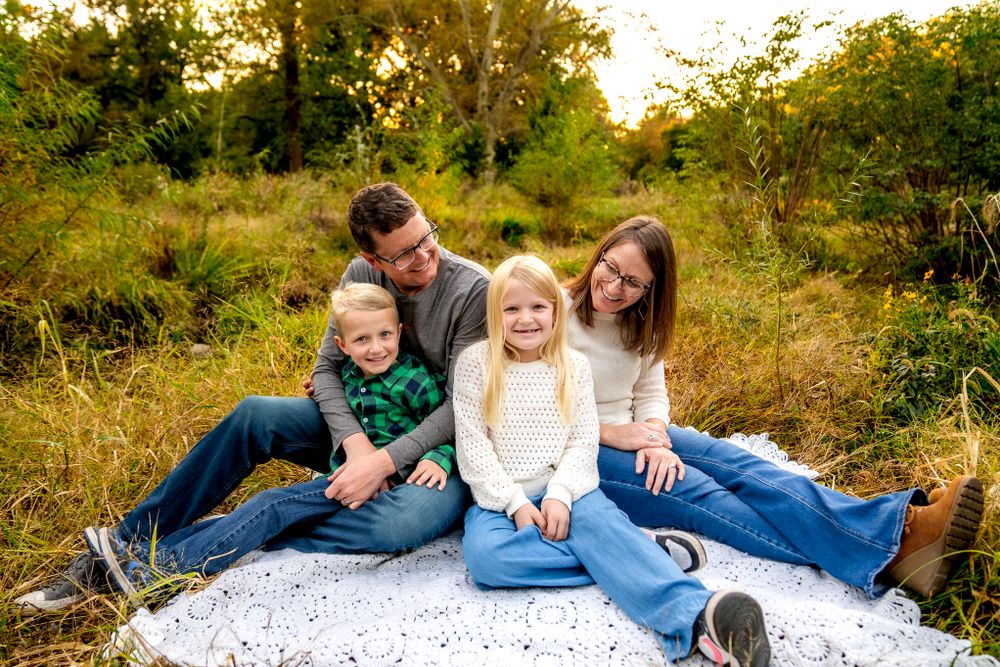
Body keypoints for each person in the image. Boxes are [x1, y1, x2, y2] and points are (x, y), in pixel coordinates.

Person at [15, 182, 490, 613]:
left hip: (441, 454)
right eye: (404, 254)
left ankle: (229, 532)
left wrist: (384, 463)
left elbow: (463, 405)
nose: (425, 256)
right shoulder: (358, 276)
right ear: (373, 261)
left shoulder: (472, 289)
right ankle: (127, 542)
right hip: (367, 424)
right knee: (256, 414)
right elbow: (326, 369)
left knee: (401, 524)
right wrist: (356, 447)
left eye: (426, 236)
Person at [563, 215, 985, 598]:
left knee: (746, 468)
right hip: (578, 455)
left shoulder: (642, 322)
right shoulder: (551, 310)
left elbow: (651, 393)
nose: (616, 287)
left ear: (652, 288)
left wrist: (654, 436)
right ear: (599, 255)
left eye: (634, 282)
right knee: (700, 492)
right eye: (611, 268)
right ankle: (893, 553)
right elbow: (523, 408)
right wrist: (608, 432)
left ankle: (898, 529)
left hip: (638, 433)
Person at [453, 255, 771, 667]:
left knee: (595, 525)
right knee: (486, 561)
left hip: (571, 492)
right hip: (499, 499)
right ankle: (638, 548)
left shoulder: (572, 366)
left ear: (555, 309)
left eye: (537, 307)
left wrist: (561, 495)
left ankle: (699, 617)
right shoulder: (476, 364)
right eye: (511, 308)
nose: (525, 319)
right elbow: (473, 448)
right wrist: (514, 503)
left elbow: (583, 442)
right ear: (495, 313)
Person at [71, 283, 459, 600]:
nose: (375, 347)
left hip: (401, 475)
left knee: (270, 507)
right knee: (268, 499)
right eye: (362, 339)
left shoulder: (414, 378)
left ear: (399, 334)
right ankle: (133, 542)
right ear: (344, 346)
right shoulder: (354, 364)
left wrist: (439, 457)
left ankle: (162, 569)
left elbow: (447, 416)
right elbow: (327, 376)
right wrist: (350, 439)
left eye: (385, 336)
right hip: (351, 471)